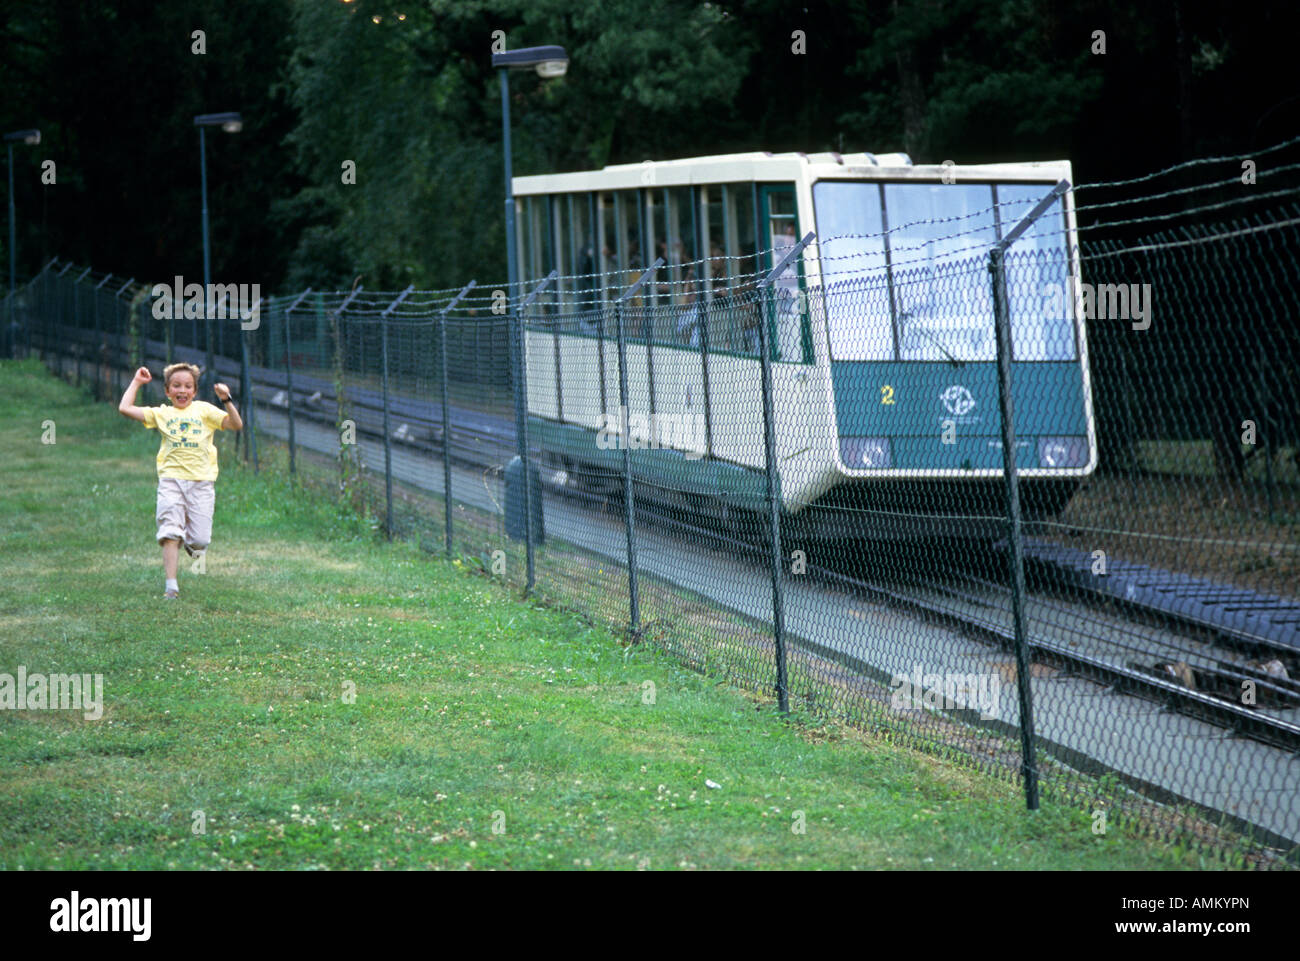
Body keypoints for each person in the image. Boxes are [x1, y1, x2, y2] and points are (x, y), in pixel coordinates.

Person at [118, 362, 242, 599]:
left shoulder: (205, 411)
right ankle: (171, 587)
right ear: (167, 391)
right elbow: (125, 408)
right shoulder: (162, 413)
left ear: (194, 392)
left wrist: (226, 400)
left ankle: (189, 542)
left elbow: (236, 425)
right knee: (169, 532)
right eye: (176, 386)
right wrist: (137, 381)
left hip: (201, 483)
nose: (182, 391)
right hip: (171, 482)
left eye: (187, 386)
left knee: (199, 542)